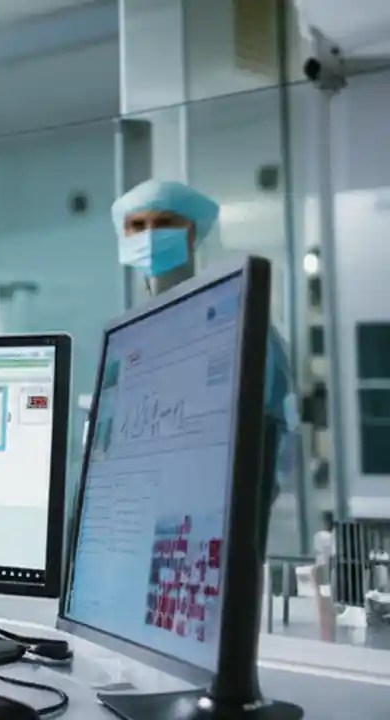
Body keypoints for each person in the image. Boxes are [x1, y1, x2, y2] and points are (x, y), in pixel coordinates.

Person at [112, 179, 300, 545]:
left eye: (164, 223)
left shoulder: (236, 319)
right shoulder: (131, 336)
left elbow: (269, 434)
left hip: (219, 520)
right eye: (137, 226)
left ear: (192, 233)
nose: (149, 235)